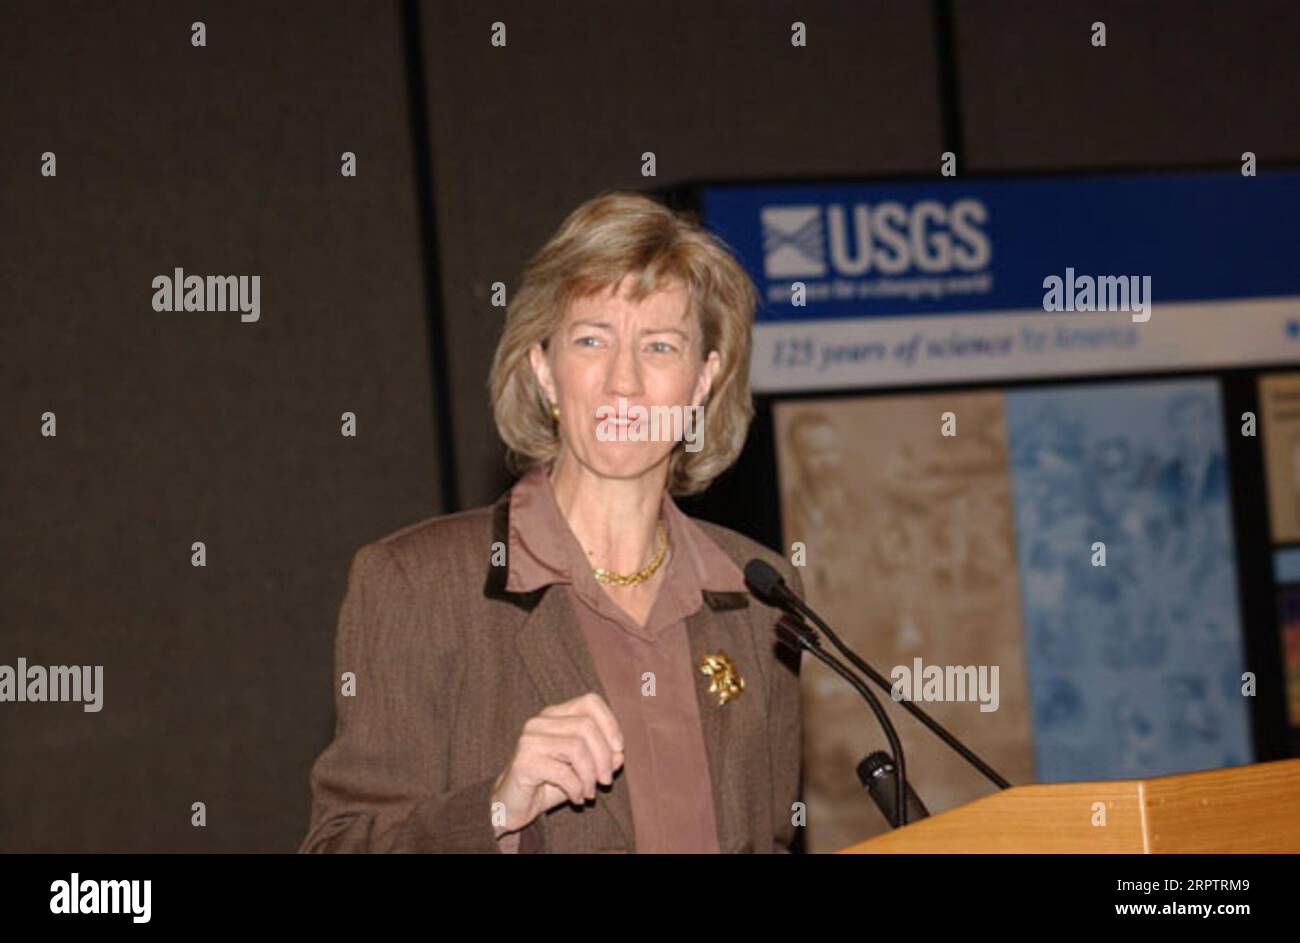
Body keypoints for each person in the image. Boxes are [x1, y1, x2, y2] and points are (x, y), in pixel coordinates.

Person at [298, 190, 805, 853]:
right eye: (592, 340)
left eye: (659, 346)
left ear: (703, 381)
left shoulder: (758, 594)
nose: (624, 382)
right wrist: (497, 809)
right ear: (543, 369)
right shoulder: (419, 585)